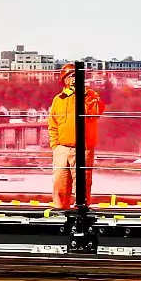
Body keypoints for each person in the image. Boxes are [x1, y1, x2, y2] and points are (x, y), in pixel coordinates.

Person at [47, 67, 106, 208]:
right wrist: (55, 146)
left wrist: (84, 94)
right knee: (60, 184)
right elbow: (52, 124)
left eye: (75, 76)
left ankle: (81, 214)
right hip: (62, 148)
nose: (73, 79)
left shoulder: (91, 95)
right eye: (70, 76)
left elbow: (98, 111)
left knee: (82, 185)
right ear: (65, 80)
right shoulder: (59, 99)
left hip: (83, 148)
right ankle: (60, 212)